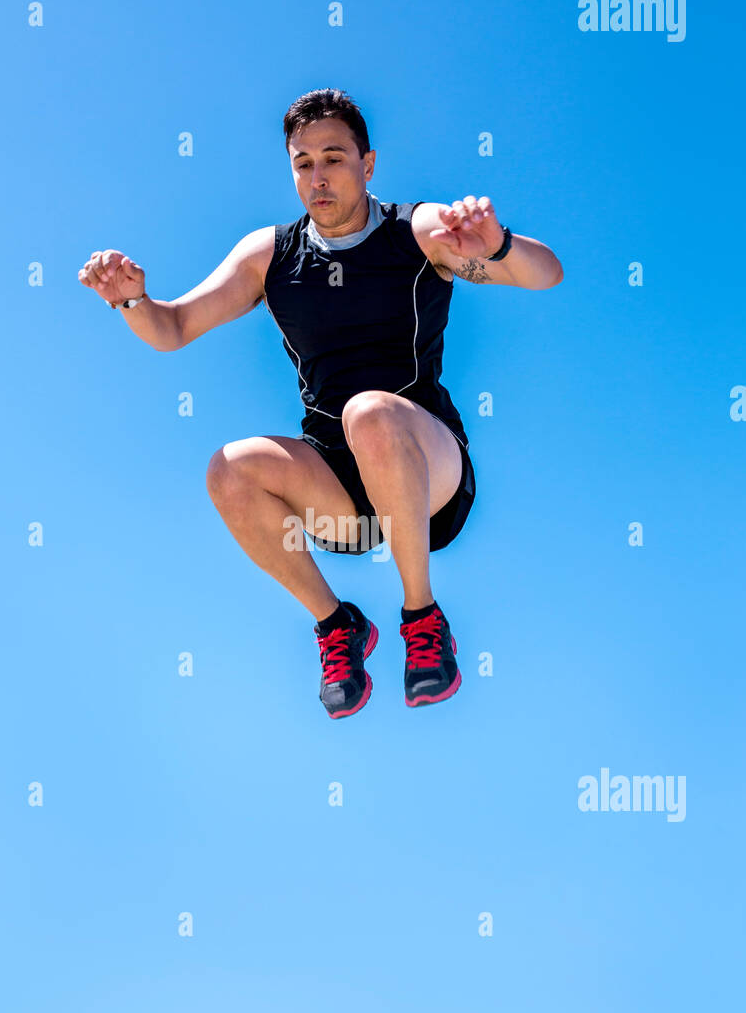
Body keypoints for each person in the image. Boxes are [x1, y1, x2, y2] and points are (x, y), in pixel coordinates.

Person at [78, 88, 563, 719]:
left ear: (367, 165)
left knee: (371, 411)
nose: (318, 176)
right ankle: (338, 627)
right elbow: (171, 329)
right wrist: (131, 300)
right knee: (229, 468)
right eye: (302, 163)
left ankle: (421, 617)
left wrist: (497, 245)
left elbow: (545, 272)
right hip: (341, 496)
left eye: (333, 158)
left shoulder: (416, 232)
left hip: (428, 472)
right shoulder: (270, 255)